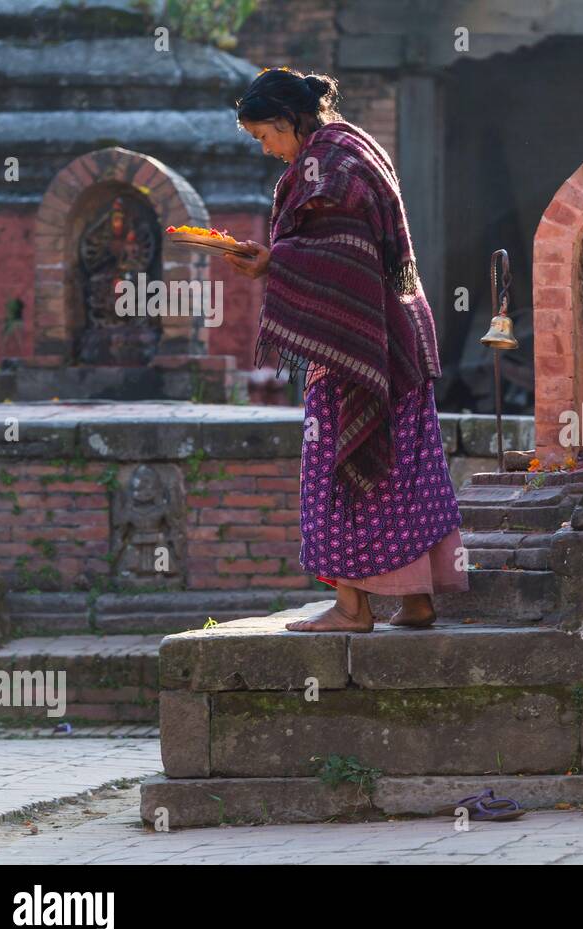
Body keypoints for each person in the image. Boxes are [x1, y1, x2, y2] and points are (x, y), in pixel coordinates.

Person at [226, 67, 467, 631]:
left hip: (358, 343)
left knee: (342, 466)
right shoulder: (354, 147)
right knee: (405, 469)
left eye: (266, 136)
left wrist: (271, 261)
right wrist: (277, 259)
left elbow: (346, 252)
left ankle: (352, 607)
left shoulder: (330, 164)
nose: (268, 150)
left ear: (289, 121)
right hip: (392, 336)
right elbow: (340, 248)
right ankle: (416, 599)